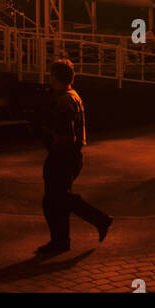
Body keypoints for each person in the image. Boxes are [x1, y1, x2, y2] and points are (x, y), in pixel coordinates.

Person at [37, 59, 112, 256]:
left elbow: (64, 133)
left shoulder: (62, 101)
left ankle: (95, 222)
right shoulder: (73, 96)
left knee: (55, 199)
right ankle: (62, 240)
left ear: (54, 77)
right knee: (58, 198)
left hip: (62, 154)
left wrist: (50, 136)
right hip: (72, 154)